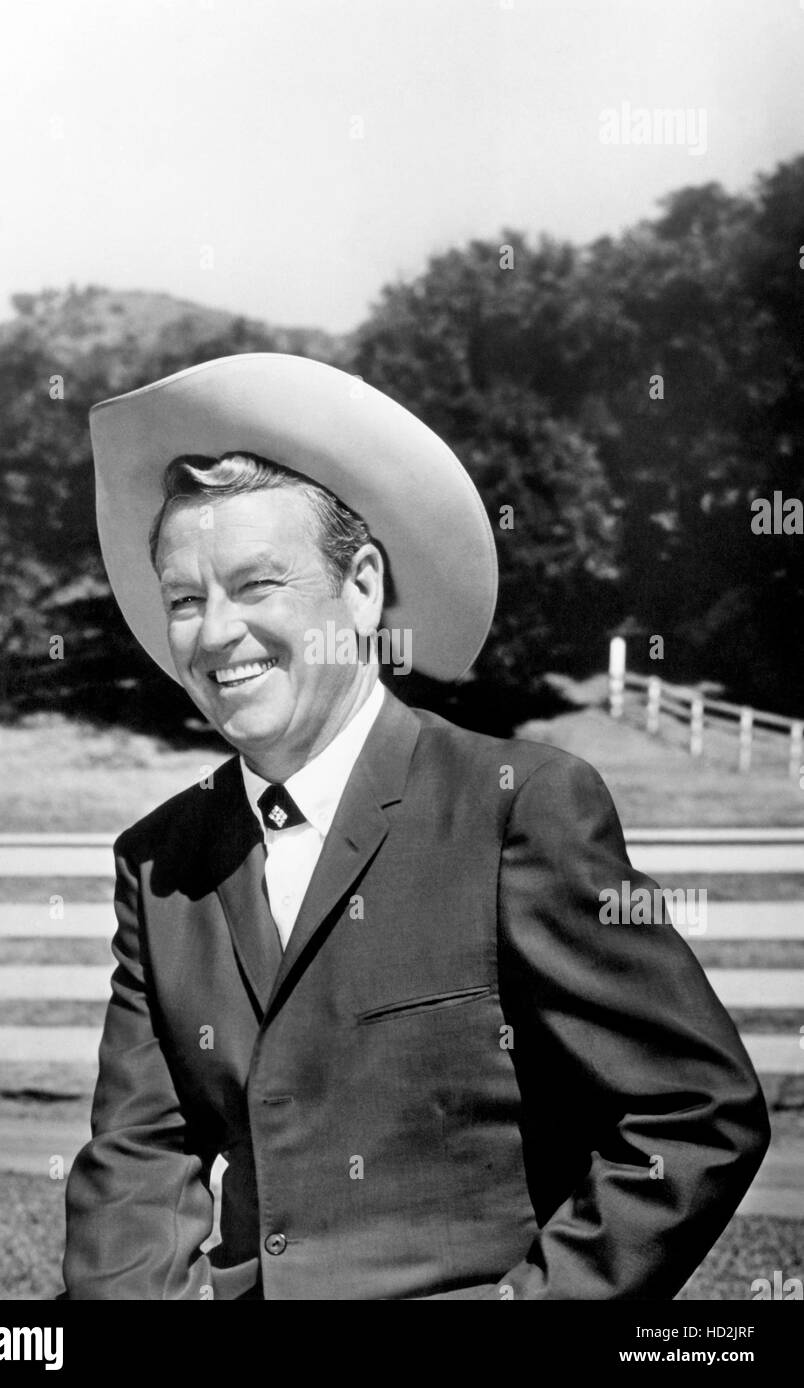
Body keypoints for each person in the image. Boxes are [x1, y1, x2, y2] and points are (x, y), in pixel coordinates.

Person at [62, 353, 769, 1300]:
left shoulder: (516, 804)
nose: (215, 632)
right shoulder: (160, 861)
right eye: (186, 599)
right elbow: (138, 1162)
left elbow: (693, 1109)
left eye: (256, 586)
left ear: (360, 589)